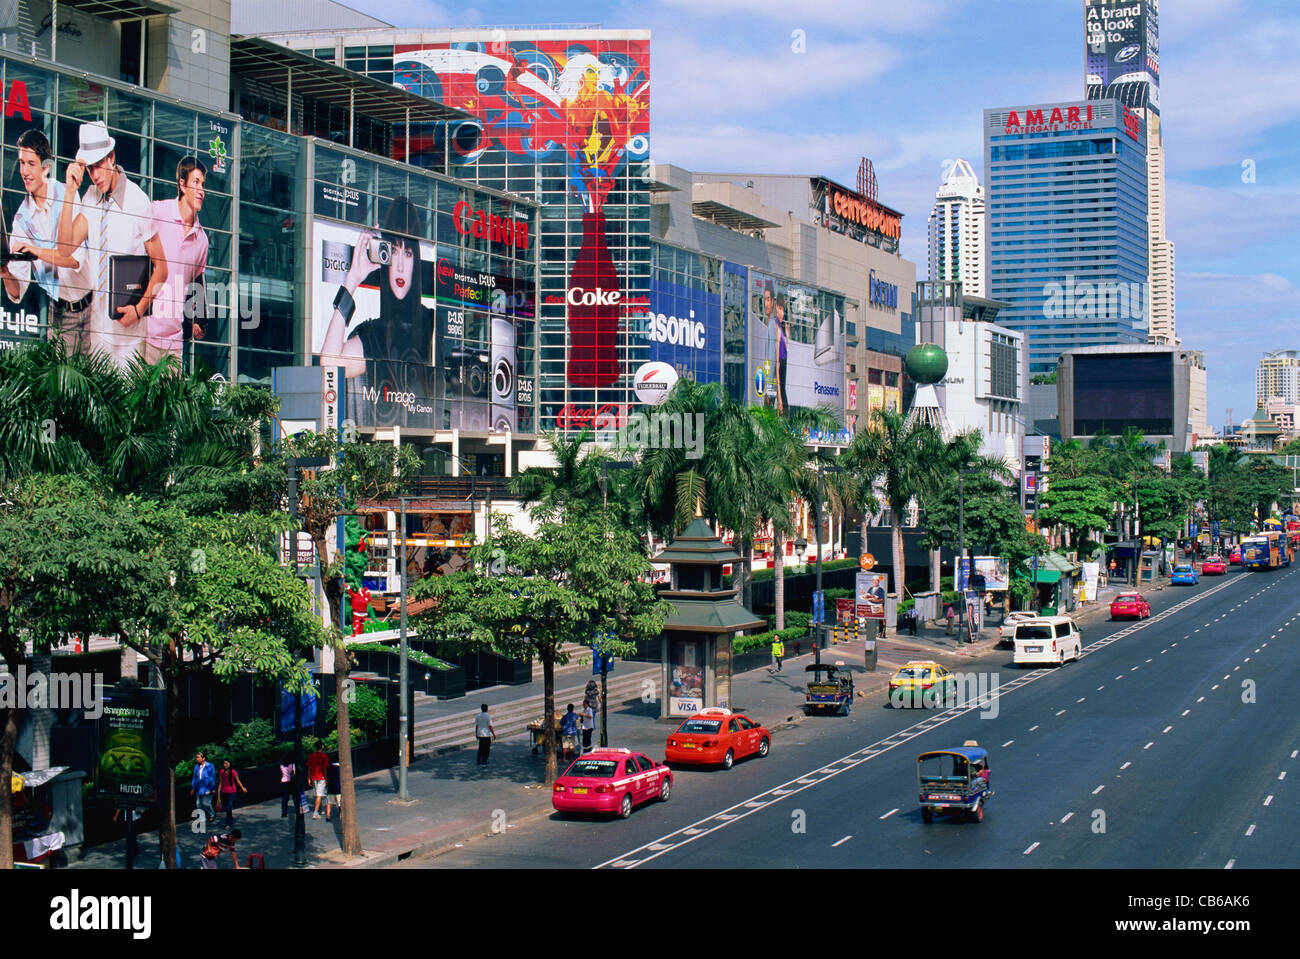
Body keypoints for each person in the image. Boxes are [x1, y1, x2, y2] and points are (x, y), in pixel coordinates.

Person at [56, 120, 168, 367]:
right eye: (89, 169)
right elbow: (64, 249)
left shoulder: (138, 202)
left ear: (112, 158)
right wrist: (69, 193)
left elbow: (162, 268)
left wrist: (138, 310)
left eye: (98, 166)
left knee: (126, 403)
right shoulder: (89, 198)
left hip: (129, 334)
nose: (94, 176)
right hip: (98, 330)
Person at [319, 198, 435, 428]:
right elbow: (329, 368)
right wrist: (352, 280)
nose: (400, 265)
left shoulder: (432, 322)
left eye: (408, 253)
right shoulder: (374, 334)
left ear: (416, 260)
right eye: (393, 251)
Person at [0, 127, 94, 351]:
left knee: (96, 383)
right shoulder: (21, 220)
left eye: (31, 164)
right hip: (59, 312)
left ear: (46, 168)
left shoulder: (67, 195)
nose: (25, 171)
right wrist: (5, 273)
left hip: (92, 307)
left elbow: (73, 259)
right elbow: (17, 291)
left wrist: (34, 250)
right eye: (22, 163)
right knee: (61, 386)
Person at [147, 156, 208, 364]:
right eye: (195, 182)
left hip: (174, 342)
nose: (201, 190)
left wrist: (197, 319)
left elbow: (195, 282)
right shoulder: (158, 211)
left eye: (203, 184)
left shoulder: (202, 240)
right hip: (143, 333)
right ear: (182, 185)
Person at [216, 758, 246, 828]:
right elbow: (220, 783)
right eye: (224, 763)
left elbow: (238, 781)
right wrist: (218, 795)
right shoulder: (221, 772)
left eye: (226, 763)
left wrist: (242, 788)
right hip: (224, 792)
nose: (225, 765)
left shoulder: (233, 772)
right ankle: (230, 819)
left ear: (230, 764)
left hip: (232, 792)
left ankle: (228, 823)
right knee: (227, 808)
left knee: (229, 806)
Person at [773, 291, 790, 413]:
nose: (781, 313)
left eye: (783, 309)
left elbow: (786, 348)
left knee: (783, 390)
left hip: (783, 362)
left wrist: (787, 334)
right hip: (777, 363)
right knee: (780, 392)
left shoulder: (782, 328)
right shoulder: (775, 327)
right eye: (779, 309)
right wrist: (779, 399)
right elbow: (777, 362)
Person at [190, 751, 215, 826]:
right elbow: (195, 777)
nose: (197, 759)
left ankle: (211, 814)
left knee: (206, 803)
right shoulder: (197, 766)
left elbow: (212, 778)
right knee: (198, 804)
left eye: (198, 757)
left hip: (207, 788)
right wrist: (193, 788)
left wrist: (211, 788)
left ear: (203, 758)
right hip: (199, 788)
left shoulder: (209, 766)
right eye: (196, 757)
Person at [306, 740, 329, 820]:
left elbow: (309, 768)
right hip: (321, 777)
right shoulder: (324, 756)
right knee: (319, 795)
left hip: (313, 777)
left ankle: (321, 809)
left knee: (318, 794)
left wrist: (309, 778)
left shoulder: (311, 756)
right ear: (322, 747)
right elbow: (325, 769)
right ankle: (315, 813)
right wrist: (326, 779)